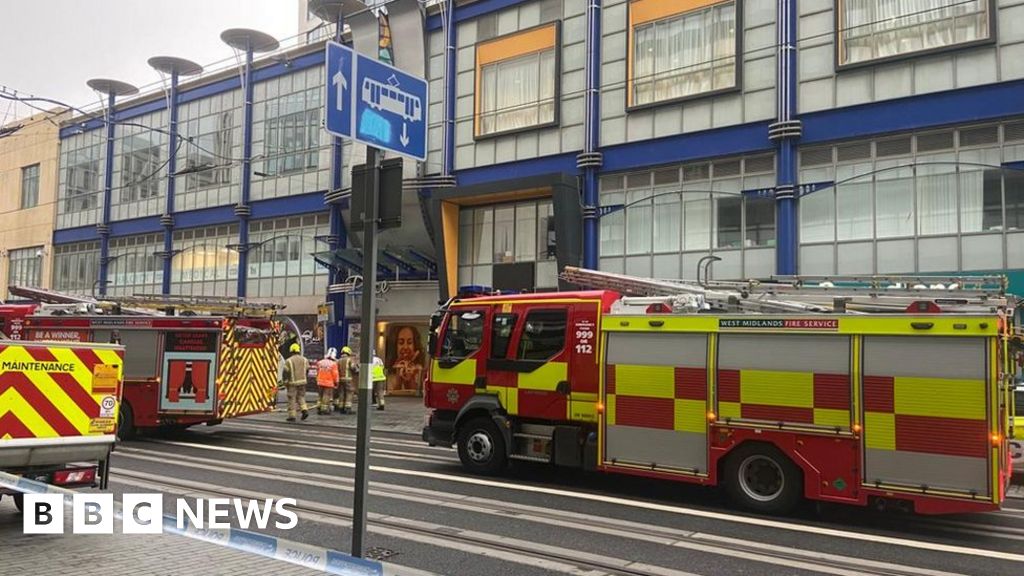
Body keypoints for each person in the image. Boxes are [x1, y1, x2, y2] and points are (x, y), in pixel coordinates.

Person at [388, 326, 425, 395]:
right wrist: (398, 380)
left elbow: (418, 396)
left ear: (415, 345)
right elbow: (391, 396)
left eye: (409, 342)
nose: (405, 347)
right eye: (401, 343)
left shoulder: (420, 370)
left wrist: (411, 380)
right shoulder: (390, 373)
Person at [282, 343, 309, 422]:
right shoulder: (305, 360)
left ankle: (292, 416)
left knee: (292, 398)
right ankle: (304, 410)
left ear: (291, 351)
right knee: (301, 397)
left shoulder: (289, 361)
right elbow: (307, 370)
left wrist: (285, 381)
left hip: (292, 383)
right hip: (303, 382)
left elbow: (285, 372)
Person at [316, 348, 339, 414]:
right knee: (326, 395)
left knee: (320, 395)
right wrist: (336, 383)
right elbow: (335, 375)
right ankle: (324, 409)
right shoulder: (333, 364)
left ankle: (319, 406)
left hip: (320, 382)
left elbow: (317, 372)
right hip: (328, 383)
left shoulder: (320, 362)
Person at [335, 346, 356, 414]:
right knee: (349, 393)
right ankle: (348, 407)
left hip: (340, 379)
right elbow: (353, 368)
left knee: (341, 393)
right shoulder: (349, 360)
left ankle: (341, 407)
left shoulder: (338, 360)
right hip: (348, 379)